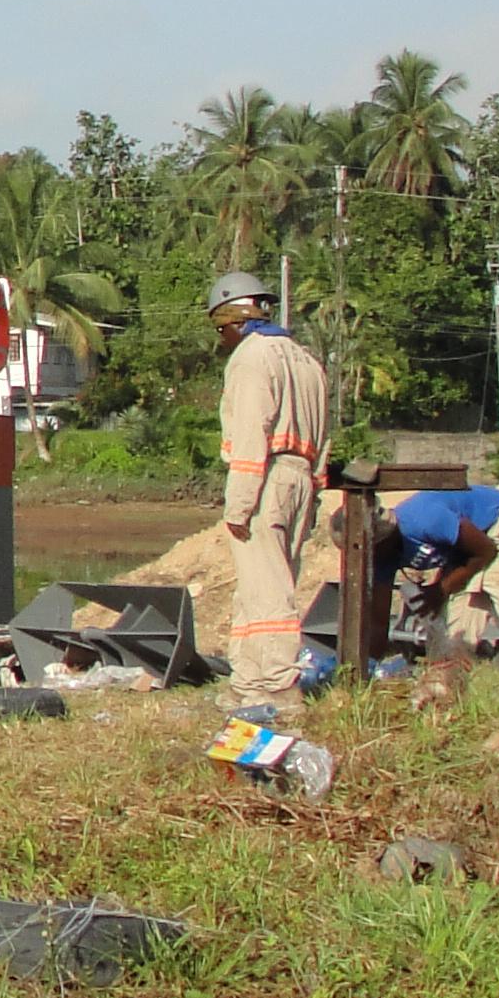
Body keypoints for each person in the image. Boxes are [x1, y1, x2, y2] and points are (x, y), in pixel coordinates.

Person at [210, 272, 331, 707]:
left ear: (234, 318)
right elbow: (324, 438)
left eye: (220, 329)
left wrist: (239, 505)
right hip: (302, 478)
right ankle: (248, 682)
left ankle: (279, 687)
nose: (221, 339)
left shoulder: (251, 358)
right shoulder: (307, 361)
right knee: (257, 588)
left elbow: (250, 433)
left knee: (270, 592)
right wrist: (314, 496)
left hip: (266, 477)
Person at [385, 484, 499, 702]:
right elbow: (375, 621)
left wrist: (441, 590)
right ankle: (443, 706)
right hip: (466, 551)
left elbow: (485, 550)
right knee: (448, 640)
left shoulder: (424, 519)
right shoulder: (376, 553)